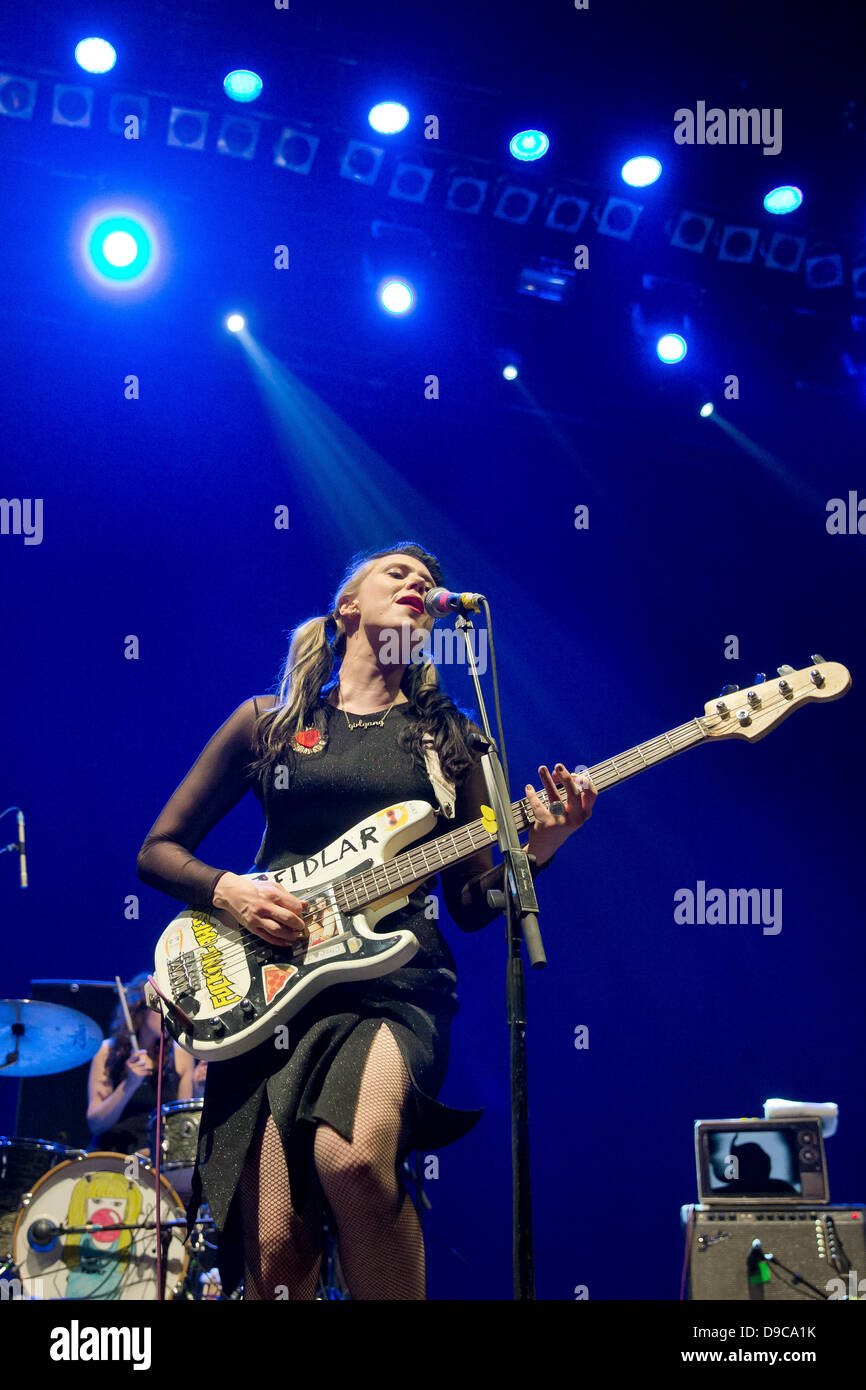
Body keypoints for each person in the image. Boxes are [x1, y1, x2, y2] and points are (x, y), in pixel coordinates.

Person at [136, 541, 596, 1299]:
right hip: (267, 989)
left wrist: (543, 843)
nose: (420, 584)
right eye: (399, 573)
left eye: (430, 582)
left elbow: (474, 905)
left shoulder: (454, 739)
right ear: (348, 606)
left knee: (351, 1161)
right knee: (278, 1247)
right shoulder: (270, 724)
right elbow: (157, 851)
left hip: (392, 983)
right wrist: (233, 892)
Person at [86, 972, 206, 1156]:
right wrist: (128, 1085)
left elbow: (184, 1127)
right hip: (113, 1153)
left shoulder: (180, 1054)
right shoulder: (107, 1051)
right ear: (140, 1008)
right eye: (161, 1008)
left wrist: (198, 1090)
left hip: (157, 1158)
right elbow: (96, 1124)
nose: (169, 1015)